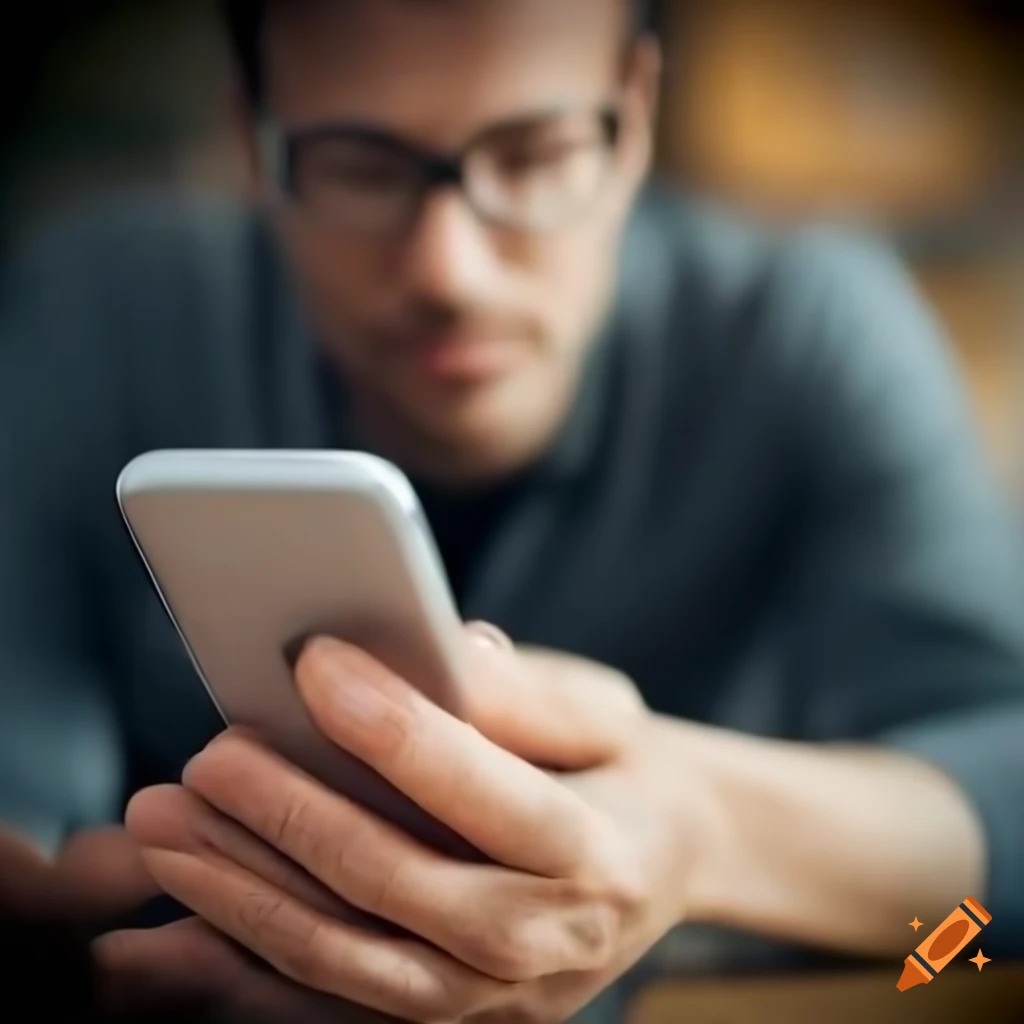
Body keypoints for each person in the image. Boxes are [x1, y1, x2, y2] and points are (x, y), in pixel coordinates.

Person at [1, 0, 1023, 1019]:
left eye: (533, 158)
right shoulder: (102, 308)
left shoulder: (810, 329)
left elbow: (993, 901)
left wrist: (706, 835)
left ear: (635, 116)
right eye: (360, 166)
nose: (449, 269)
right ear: (252, 144)